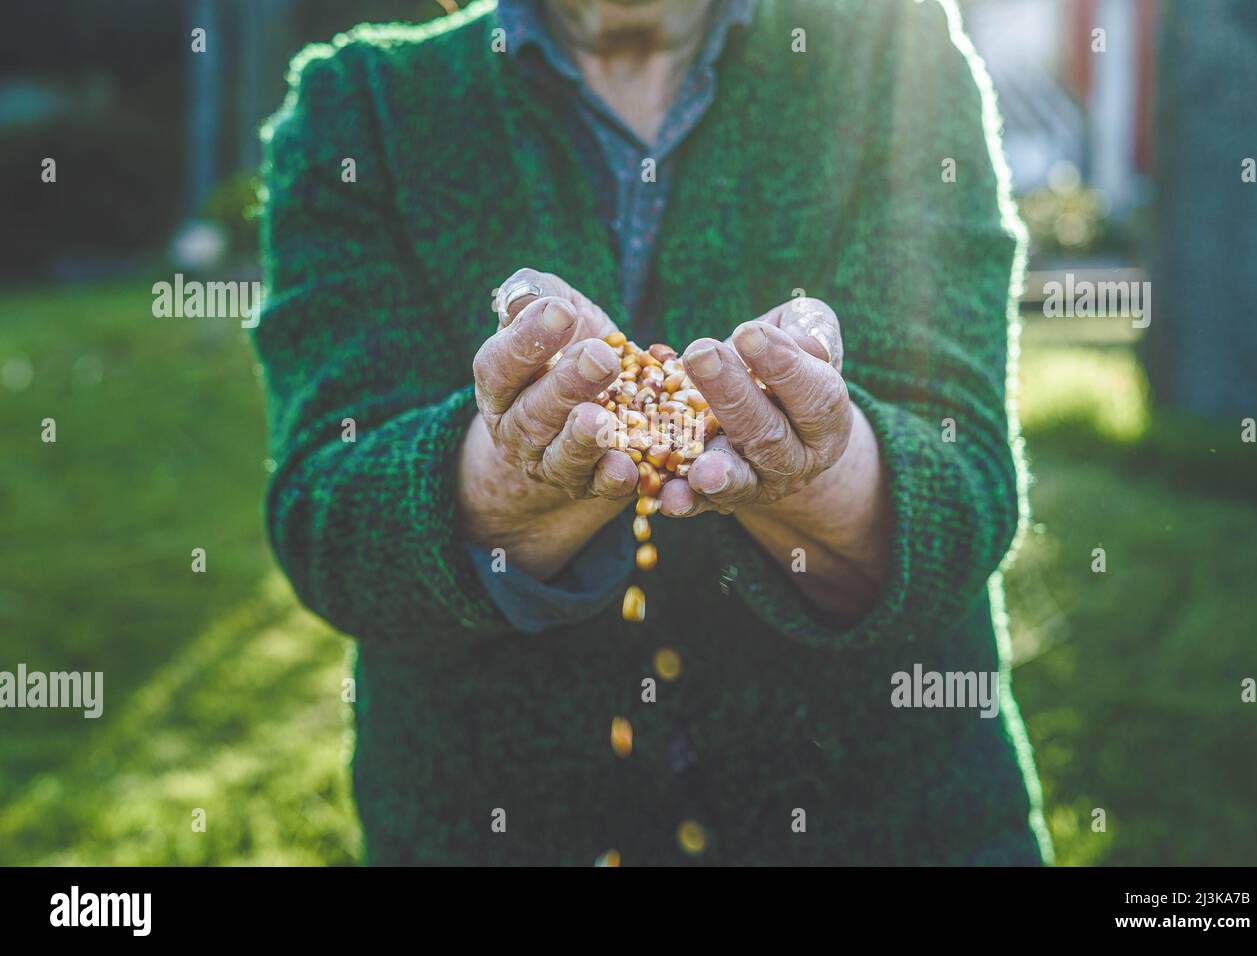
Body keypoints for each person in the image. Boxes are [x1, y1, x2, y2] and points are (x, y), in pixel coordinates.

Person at [254, 0, 1054, 865]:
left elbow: (964, 486)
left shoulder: (896, 52)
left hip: (899, 832)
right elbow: (329, 522)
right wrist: (509, 472)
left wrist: (817, 465)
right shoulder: (360, 104)